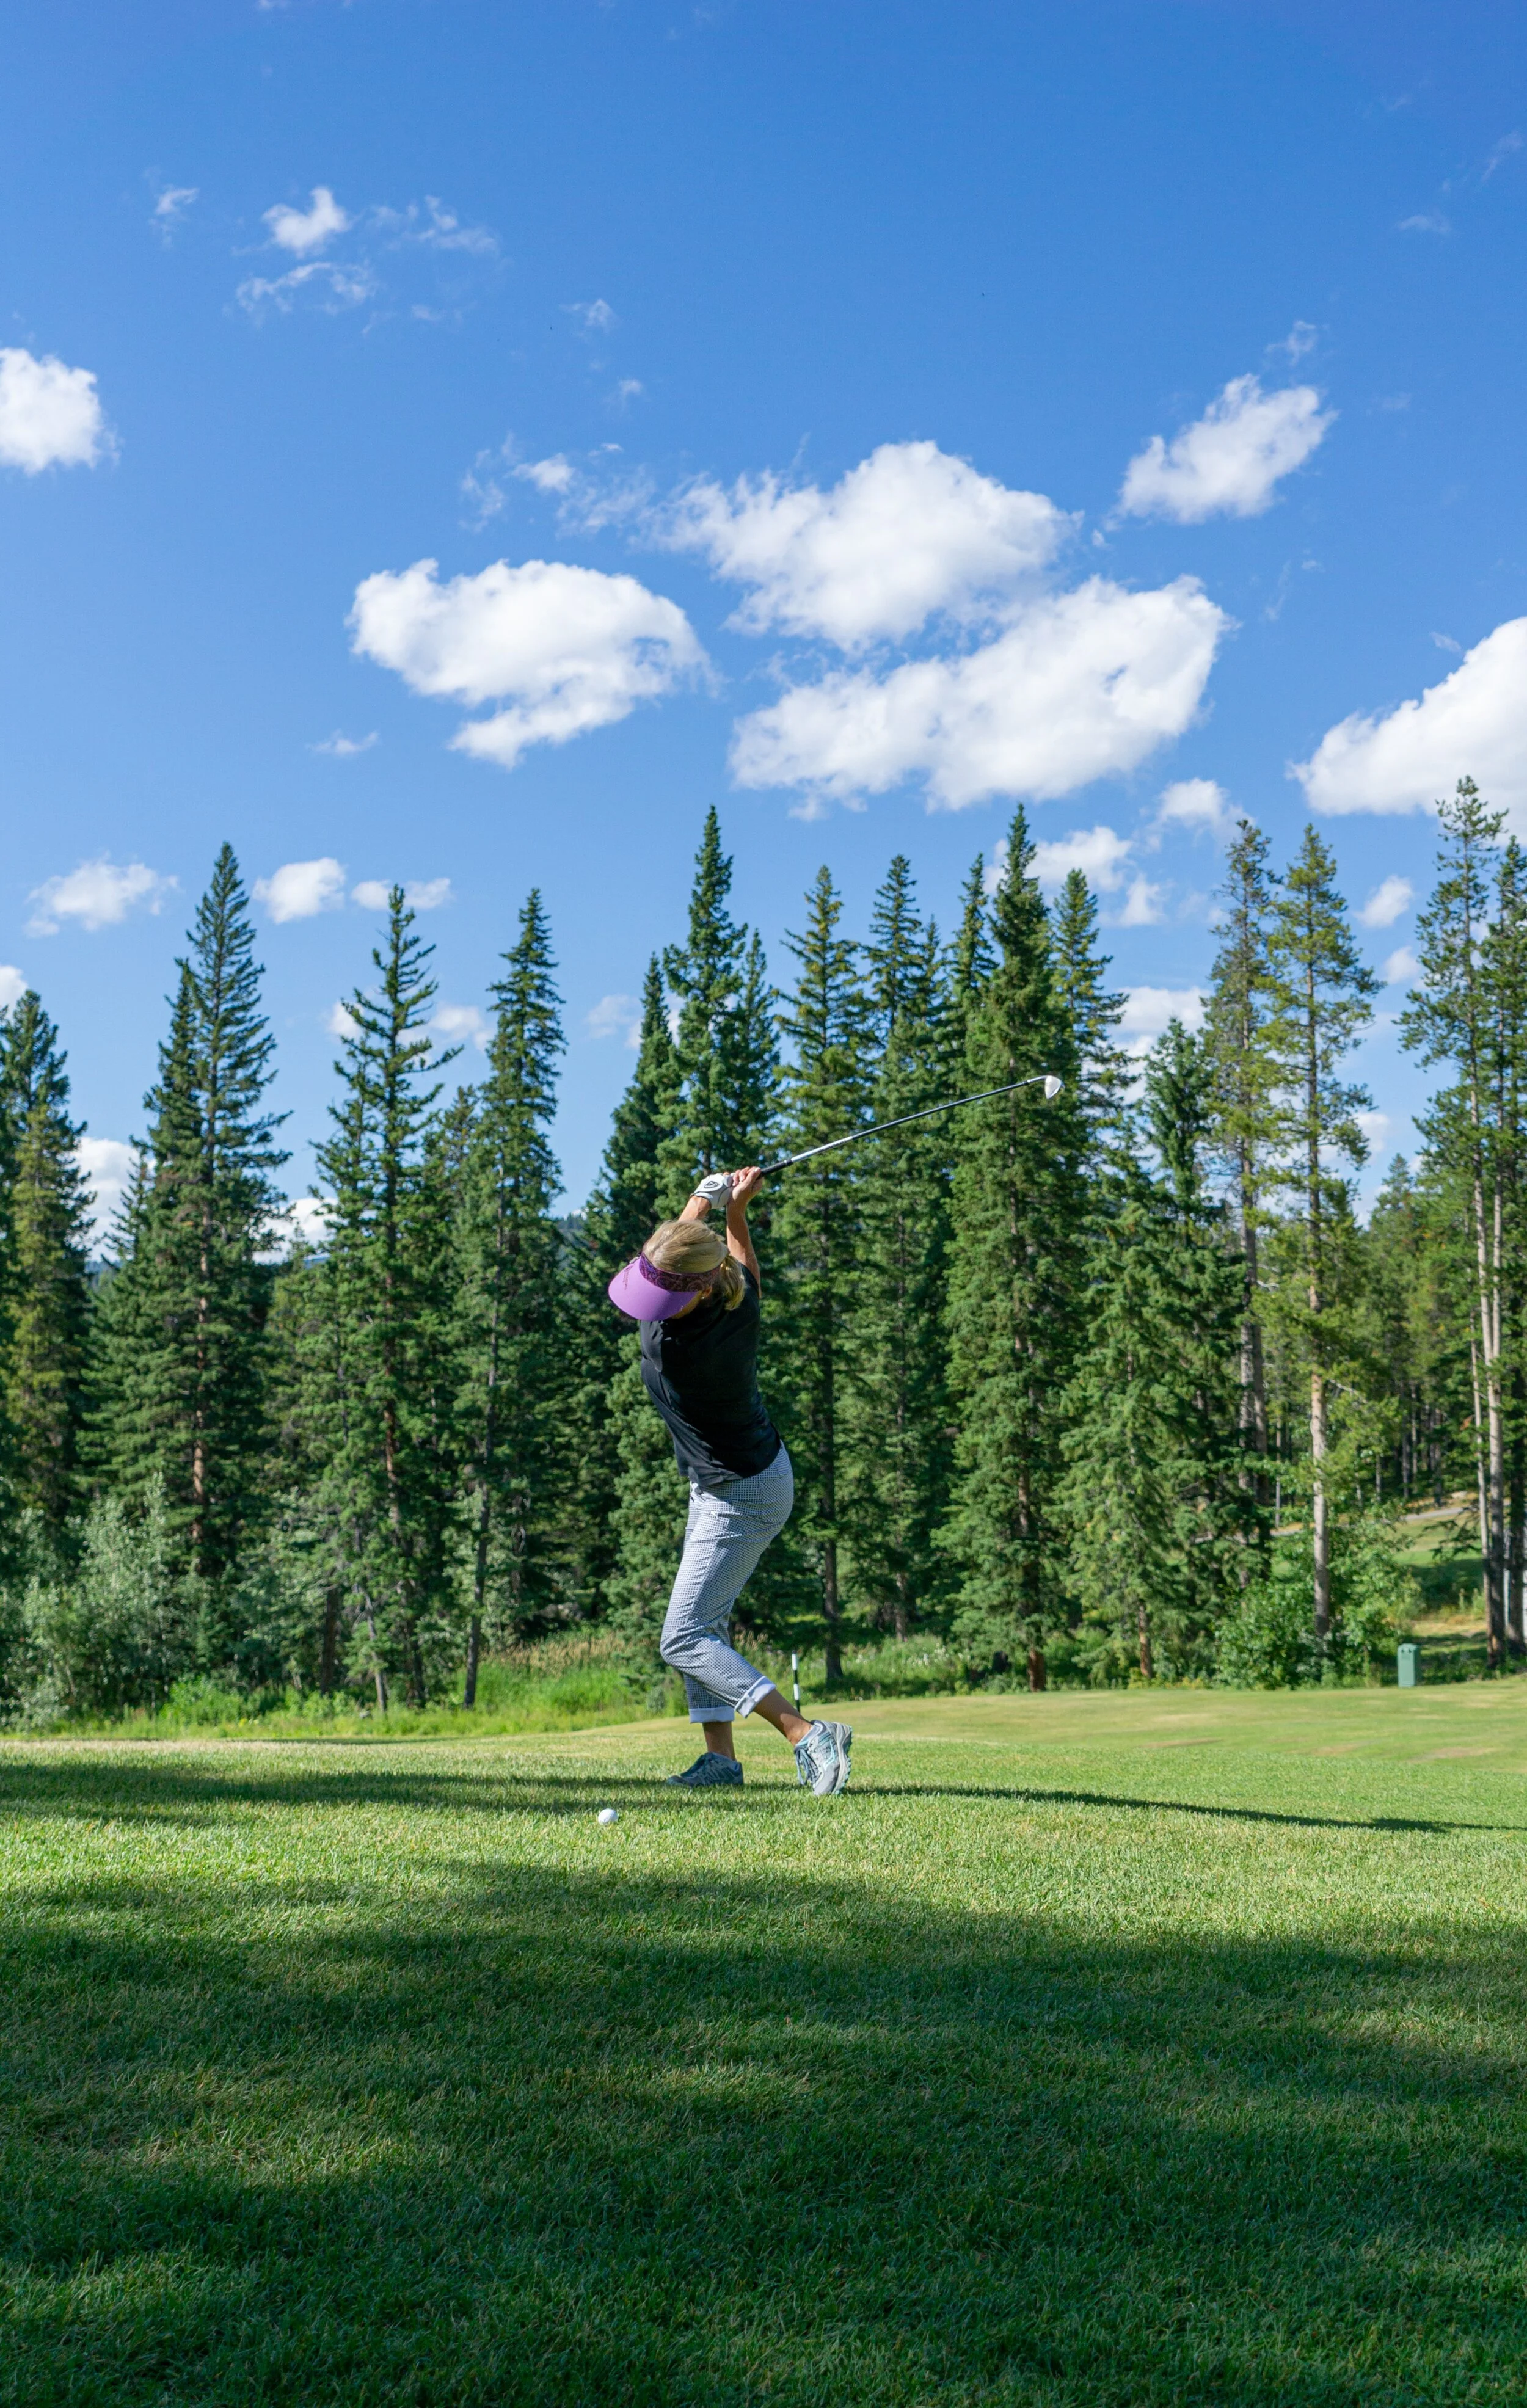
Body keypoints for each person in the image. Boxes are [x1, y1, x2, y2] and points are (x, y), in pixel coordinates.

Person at [607, 1165, 852, 1795]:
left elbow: (689, 1252)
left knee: (683, 1635)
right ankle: (721, 1761)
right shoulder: (734, 1306)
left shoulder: (671, 1345)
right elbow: (730, 1262)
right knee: (705, 1622)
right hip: (733, 1477)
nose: (650, 1302)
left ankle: (807, 1733)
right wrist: (732, 1208)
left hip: (743, 1494)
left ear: (695, 1290)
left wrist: (706, 1198)